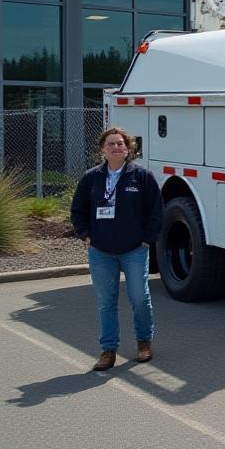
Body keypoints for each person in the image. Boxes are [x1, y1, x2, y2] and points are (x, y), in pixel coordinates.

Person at [70, 127, 163, 371]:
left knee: (140, 297)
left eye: (121, 144)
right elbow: (77, 210)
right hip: (100, 251)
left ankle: (144, 342)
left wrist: (146, 239)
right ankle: (108, 350)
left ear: (128, 149)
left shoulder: (142, 176)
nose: (116, 147)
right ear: (103, 149)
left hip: (134, 249)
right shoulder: (91, 178)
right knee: (106, 302)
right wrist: (85, 236)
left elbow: (156, 211)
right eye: (111, 144)